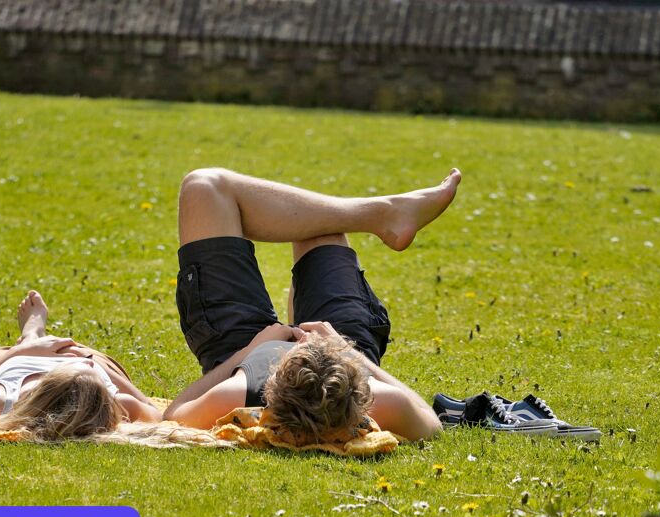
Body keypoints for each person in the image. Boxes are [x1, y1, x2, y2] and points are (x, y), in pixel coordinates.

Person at [163, 167, 462, 442]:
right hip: (346, 344)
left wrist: (251, 350)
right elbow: (430, 424)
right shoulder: (377, 398)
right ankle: (386, 215)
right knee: (321, 229)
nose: (300, 338)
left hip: (242, 349)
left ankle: (383, 214)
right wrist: (350, 354)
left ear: (273, 380)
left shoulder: (236, 393)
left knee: (203, 186)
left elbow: (174, 414)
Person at [0, 290, 173, 442]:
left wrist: (20, 352)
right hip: (84, 362)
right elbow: (157, 413)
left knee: (0, 353)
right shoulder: (119, 405)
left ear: (42, 390)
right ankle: (35, 338)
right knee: (101, 360)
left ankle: (31, 336)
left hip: (21, 361)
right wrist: (90, 360)